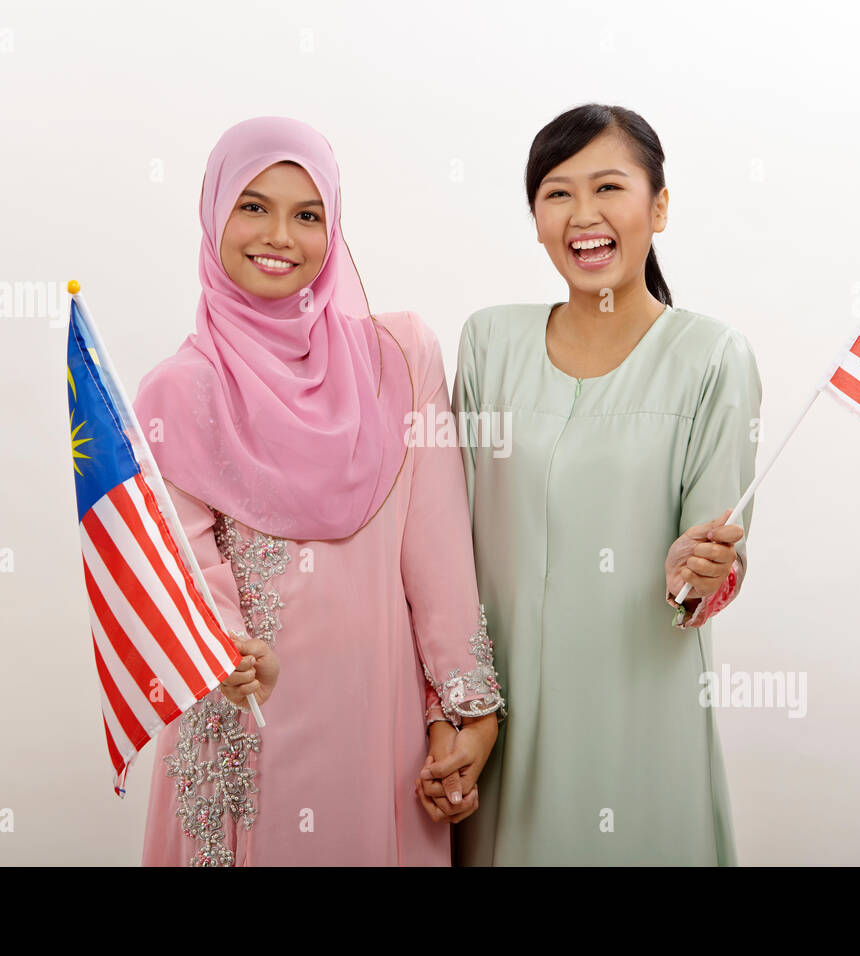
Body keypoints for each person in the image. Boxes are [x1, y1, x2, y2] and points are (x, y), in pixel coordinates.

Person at [133, 116, 504, 866]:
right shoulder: (178, 393)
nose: (280, 235)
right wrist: (229, 652)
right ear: (213, 217)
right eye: (252, 206)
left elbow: (437, 551)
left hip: (379, 730)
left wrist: (465, 711)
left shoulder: (398, 358)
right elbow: (189, 579)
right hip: (248, 736)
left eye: (308, 215)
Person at [448, 104, 761, 865]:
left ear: (658, 206)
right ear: (535, 217)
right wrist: (451, 708)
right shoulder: (490, 342)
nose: (583, 215)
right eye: (558, 193)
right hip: (497, 721)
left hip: (636, 718)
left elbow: (710, 574)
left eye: (609, 188)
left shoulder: (713, 358)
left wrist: (701, 573)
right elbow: (442, 542)